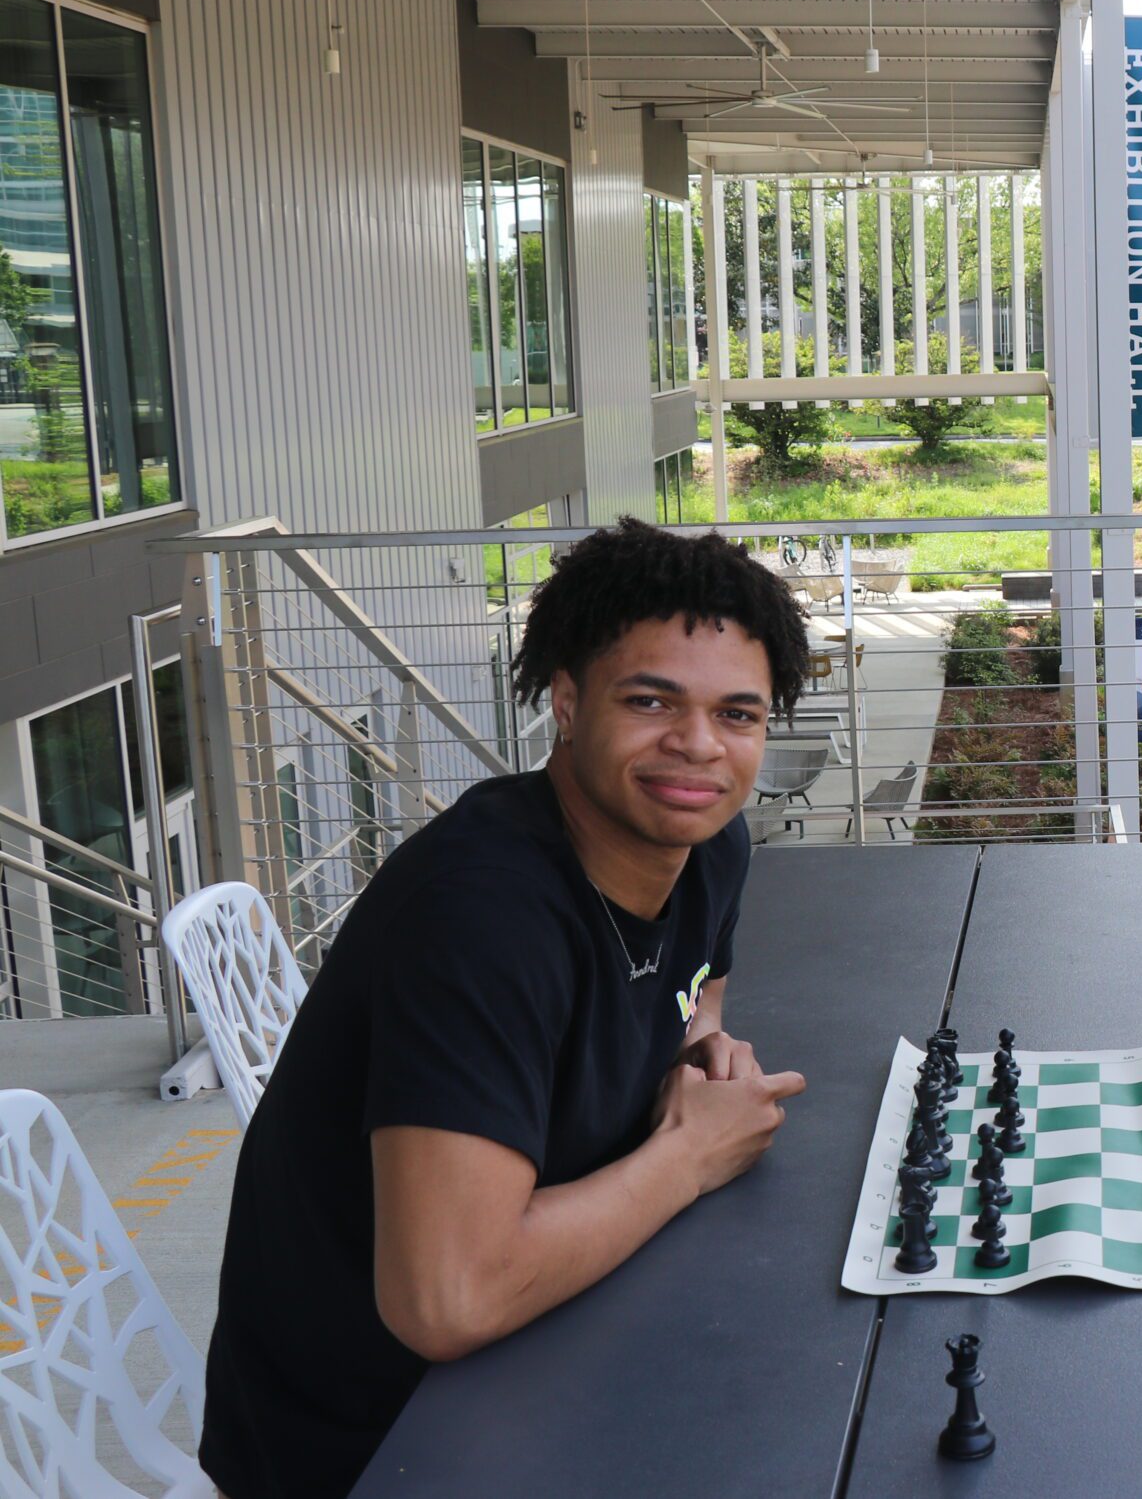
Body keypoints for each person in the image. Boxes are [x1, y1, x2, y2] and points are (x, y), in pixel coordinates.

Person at [200, 520, 813, 1499]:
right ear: (566, 702)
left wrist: (705, 1055)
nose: (698, 746)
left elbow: (697, 994)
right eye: (651, 701)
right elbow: (448, 1299)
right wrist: (688, 1155)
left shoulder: (704, 846)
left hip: (550, 1355)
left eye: (737, 715)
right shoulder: (478, 917)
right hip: (371, 1442)